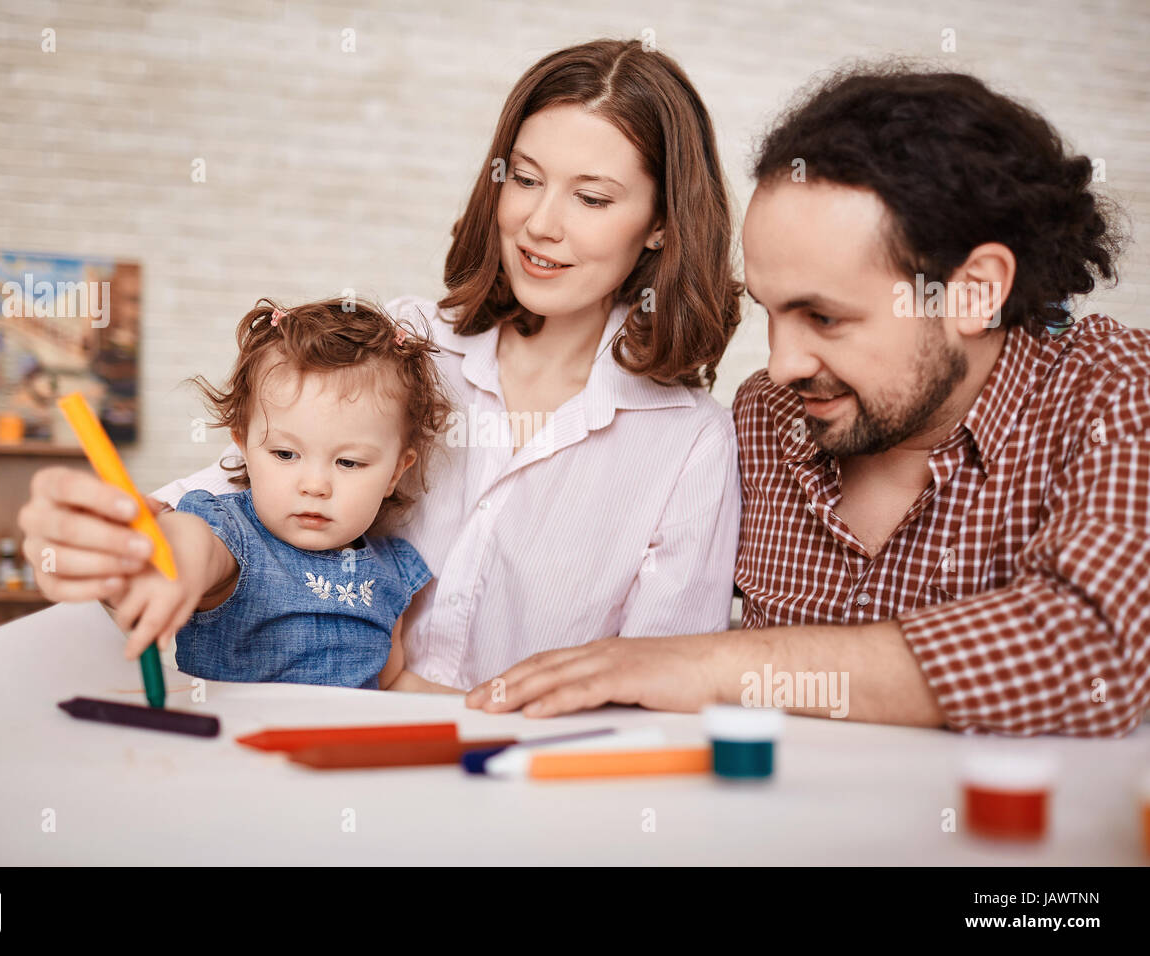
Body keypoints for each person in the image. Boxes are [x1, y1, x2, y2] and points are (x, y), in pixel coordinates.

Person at [17, 38, 744, 690]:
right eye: (523, 179)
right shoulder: (405, 346)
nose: (539, 223)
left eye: (590, 197)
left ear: (659, 225)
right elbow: (227, 510)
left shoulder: (688, 442)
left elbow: (658, 689)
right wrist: (133, 548)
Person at [467, 64, 1150, 738]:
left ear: (974, 291)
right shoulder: (766, 419)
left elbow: (1095, 650)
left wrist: (706, 667)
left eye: (824, 318)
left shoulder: (1114, 393)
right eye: (770, 311)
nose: (781, 365)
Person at [109, 297, 451, 690]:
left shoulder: (392, 573)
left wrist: (494, 712)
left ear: (395, 473)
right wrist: (168, 556)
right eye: (285, 454)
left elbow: (391, 684)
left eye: (349, 462)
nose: (315, 486)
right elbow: (196, 545)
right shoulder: (234, 538)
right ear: (244, 447)